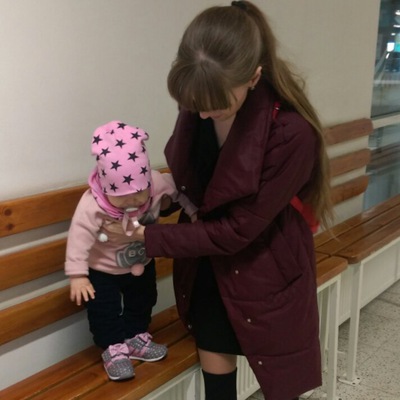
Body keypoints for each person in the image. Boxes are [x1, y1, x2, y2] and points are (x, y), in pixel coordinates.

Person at [105, 1, 334, 398]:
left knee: (281, 381)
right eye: (195, 105)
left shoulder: (292, 134)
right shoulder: (200, 100)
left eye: (217, 106)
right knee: (218, 384)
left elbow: (237, 230)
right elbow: (195, 183)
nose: (203, 115)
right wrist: (154, 201)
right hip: (209, 265)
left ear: (254, 77)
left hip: (267, 269)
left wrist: (145, 237)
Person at [65, 120, 197, 381]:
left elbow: (181, 193)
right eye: (122, 198)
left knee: (144, 299)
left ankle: (136, 337)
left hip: (142, 262)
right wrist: (78, 275)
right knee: (104, 309)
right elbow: (78, 236)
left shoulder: (156, 182)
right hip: (103, 270)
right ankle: (113, 348)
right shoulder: (92, 204)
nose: (132, 202)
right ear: (105, 188)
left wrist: (195, 213)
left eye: (138, 195)